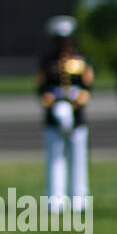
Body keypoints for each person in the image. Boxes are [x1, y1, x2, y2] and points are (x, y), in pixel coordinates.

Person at [36, 16, 93, 211]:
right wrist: (55, 104)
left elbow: (87, 86)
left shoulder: (81, 59)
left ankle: (79, 198)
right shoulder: (46, 61)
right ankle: (55, 199)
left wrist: (75, 103)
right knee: (55, 158)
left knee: (78, 159)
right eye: (60, 40)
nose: (63, 44)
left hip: (77, 118)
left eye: (66, 40)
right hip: (54, 118)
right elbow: (41, 89)